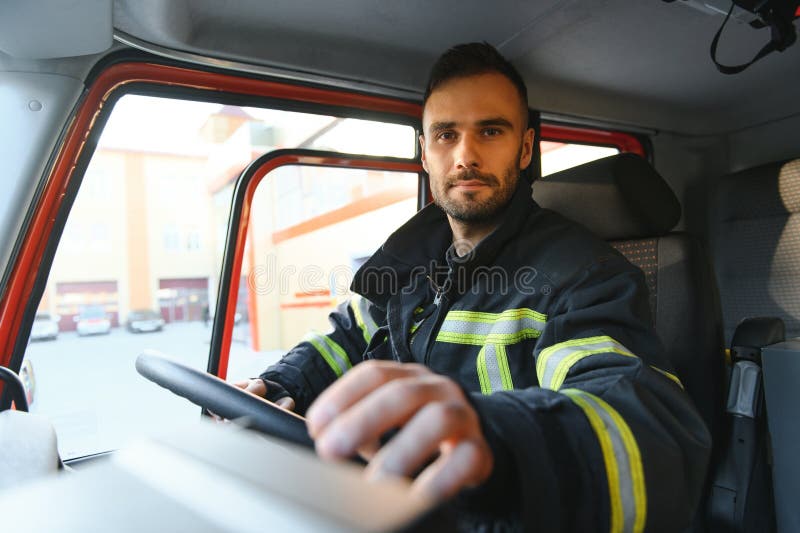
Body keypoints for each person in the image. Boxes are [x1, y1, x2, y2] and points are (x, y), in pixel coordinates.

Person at [237, 43, 711, 531]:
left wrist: (500, 442)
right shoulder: (409, 262)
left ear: (525, 149)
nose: (465, 156)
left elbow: (644, 425)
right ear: (425, 152)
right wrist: (280, 385)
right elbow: (349, 338)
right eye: (446, 134)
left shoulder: (582, 275)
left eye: (490, 130)